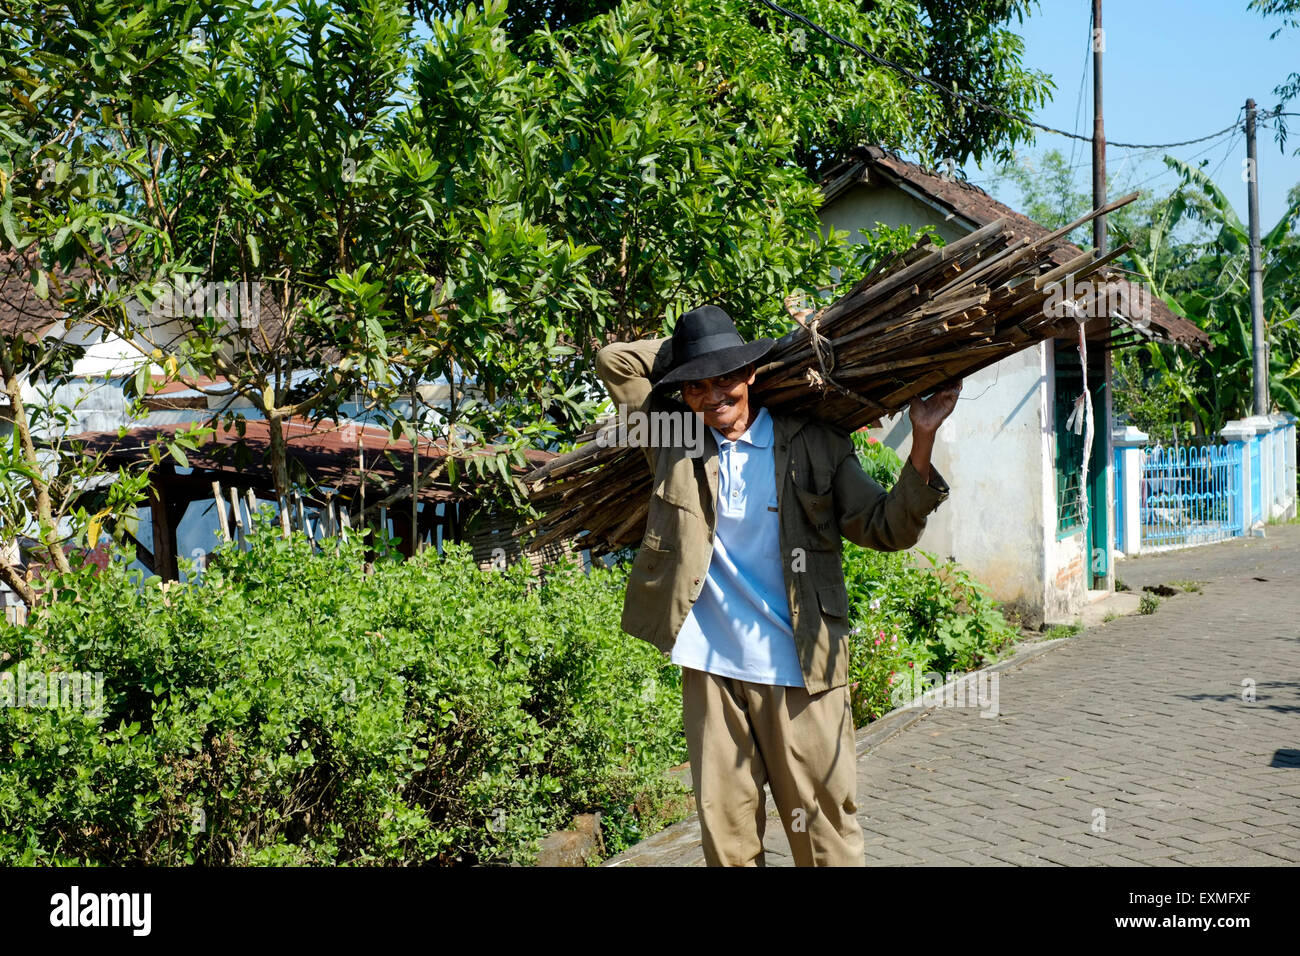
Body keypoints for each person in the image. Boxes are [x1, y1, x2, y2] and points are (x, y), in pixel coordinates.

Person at [594, 304, 959, 867]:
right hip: (712, 670)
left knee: (826, 840)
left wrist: (922, 439)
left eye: (726, 378)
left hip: (800, 670)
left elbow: (886, 527)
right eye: (696, 386)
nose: (713, 396)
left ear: (752, 375)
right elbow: (614, 360)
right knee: (729, 843)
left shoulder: (815, 444)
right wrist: (685, 358)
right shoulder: (672, 443)